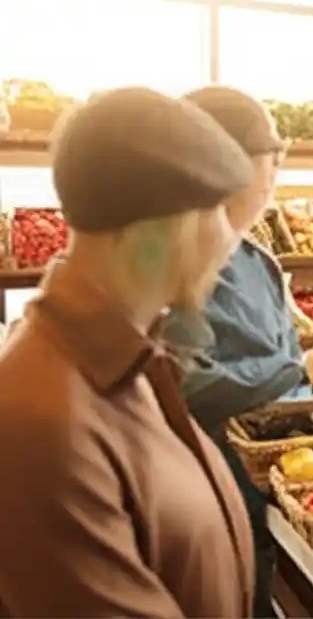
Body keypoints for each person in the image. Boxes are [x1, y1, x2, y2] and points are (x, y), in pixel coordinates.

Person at [0, 87, 255, 616]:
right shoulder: (41, 419)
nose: (231, 241)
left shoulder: (125, 365)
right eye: (218, 212)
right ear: (168, 223)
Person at [174, 85, 304, 618]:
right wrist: (292, 369)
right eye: (272, 156)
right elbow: (185, 385)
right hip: (202, 496)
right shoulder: (172, 268)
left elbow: (296, 375)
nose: (275, 172)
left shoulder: (260, 261)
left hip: (277, 487)